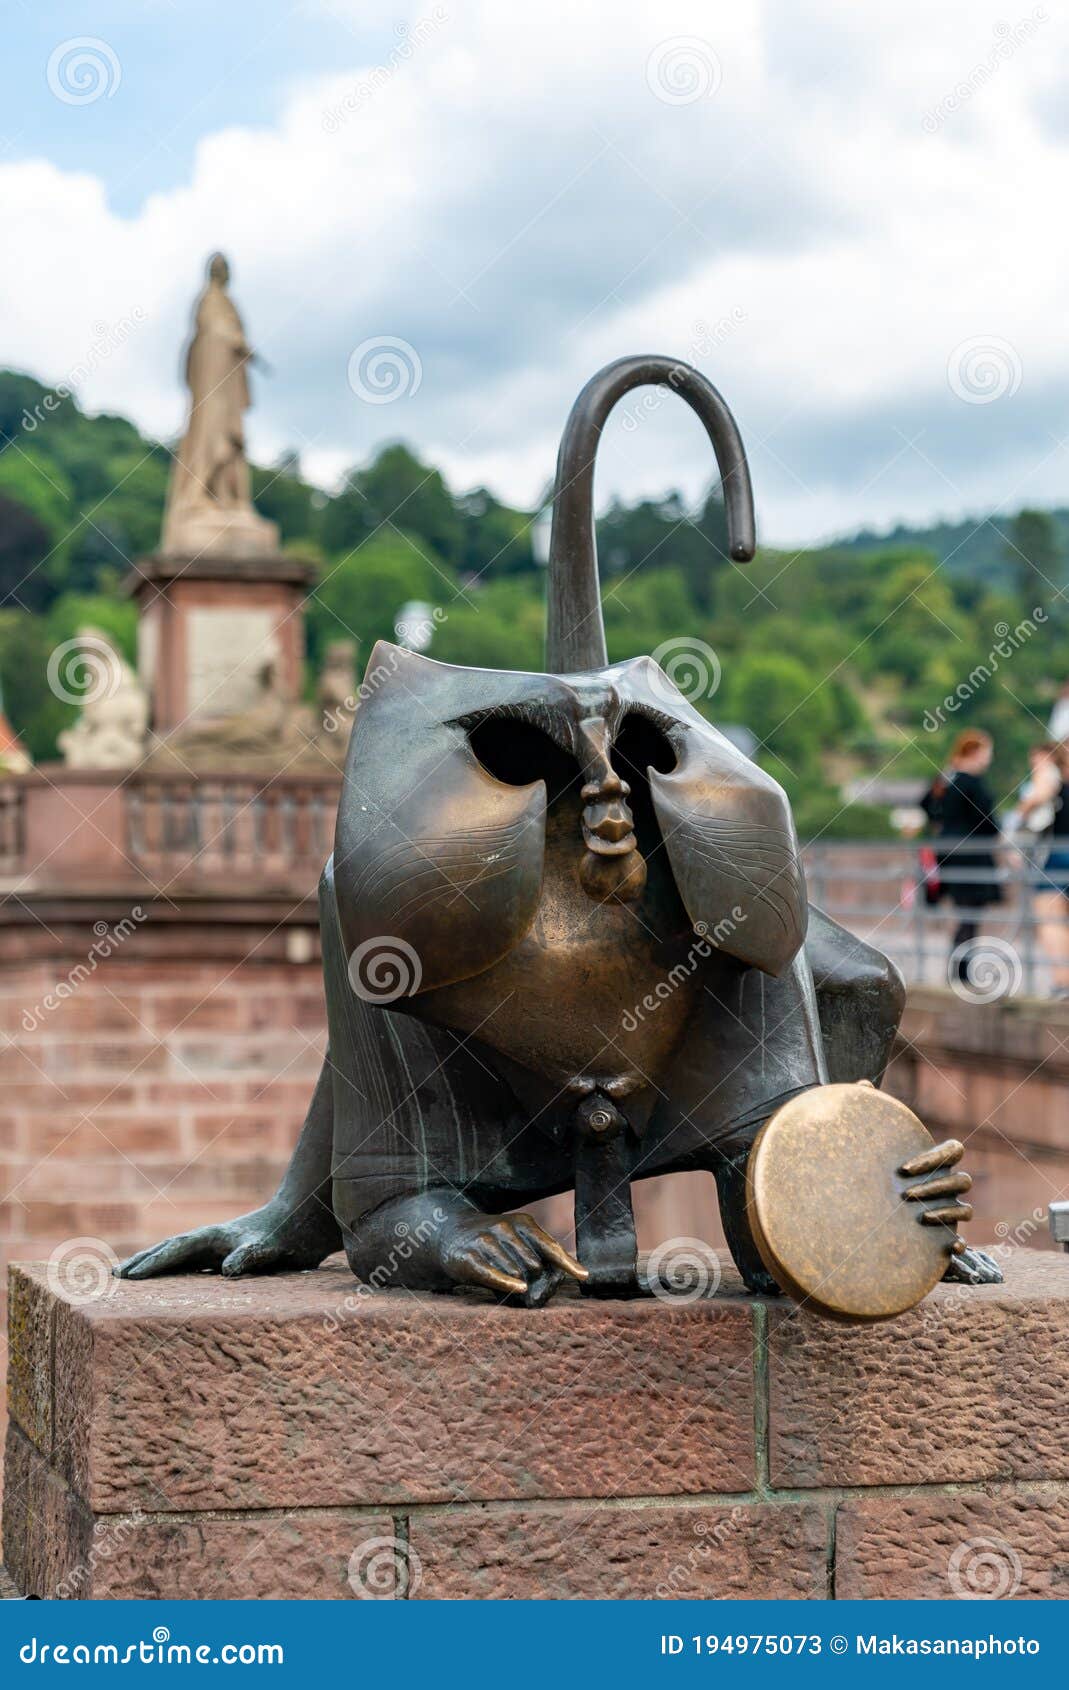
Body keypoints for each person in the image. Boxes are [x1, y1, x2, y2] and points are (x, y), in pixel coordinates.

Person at [921, 729, 1002, 984]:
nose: (989, 758)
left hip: (949, 852)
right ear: (975, 752)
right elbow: (987, 821)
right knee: (970, 915)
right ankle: (961, 973)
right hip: (971, 855)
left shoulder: (947, 777)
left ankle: (959, 971)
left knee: (965, 913)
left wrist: (943, 826)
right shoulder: (972, 783)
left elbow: (925, 803)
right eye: (987, 752)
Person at [1019, 741, 1069, 996]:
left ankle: (1063, 983)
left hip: (1057, 855)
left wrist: (1023, 811)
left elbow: (1037, 799)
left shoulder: (1052, 776)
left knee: (1051, 920)